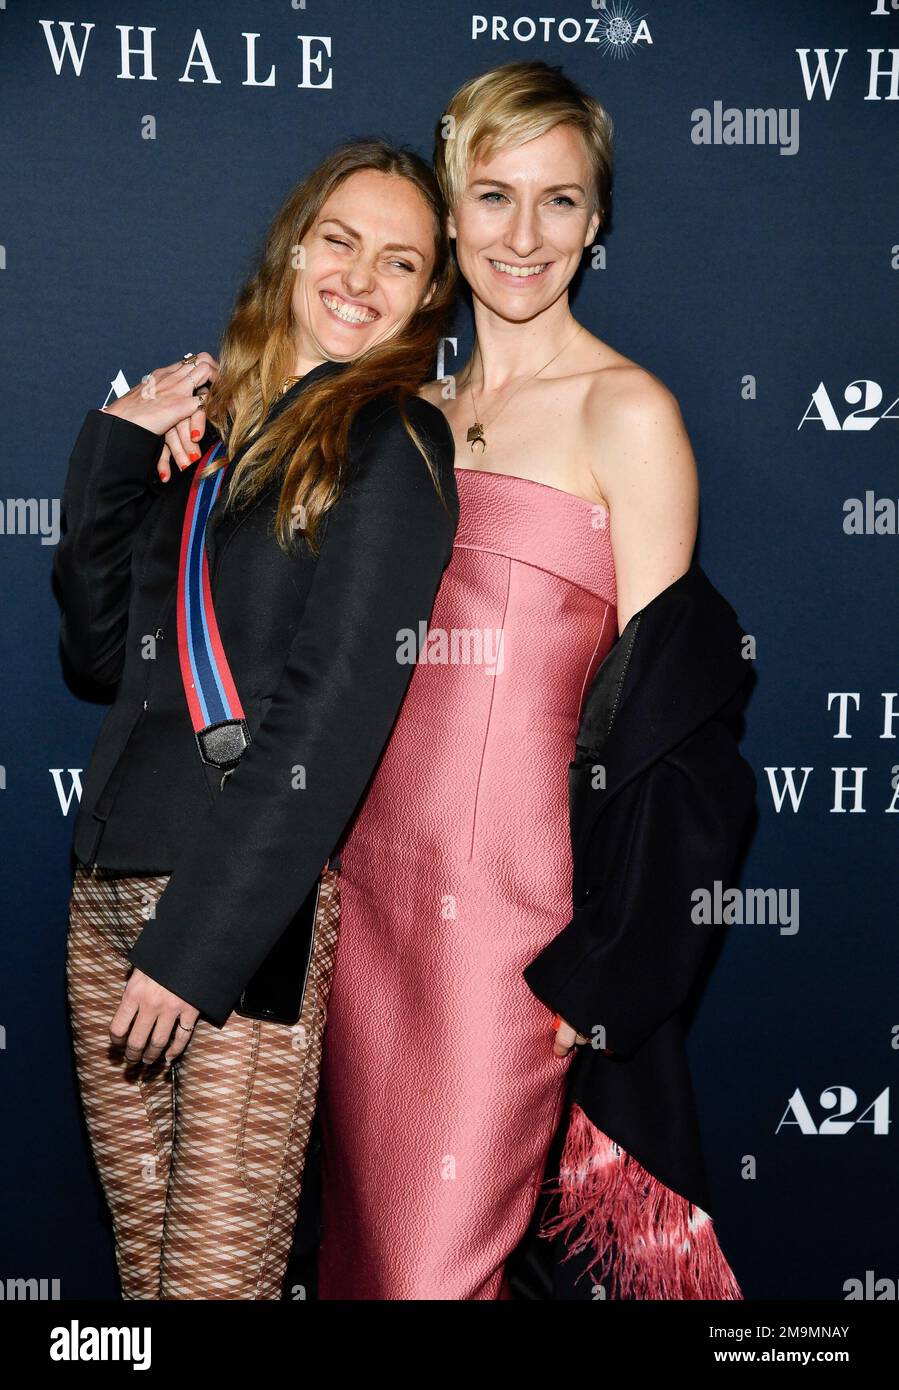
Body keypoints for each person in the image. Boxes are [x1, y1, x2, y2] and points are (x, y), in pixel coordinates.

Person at [317, 64, 745, 1299]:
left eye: (558, 202)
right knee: (360, 1262)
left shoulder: (627, 413)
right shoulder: (404, 413)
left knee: (425, 1274)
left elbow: (677, 721)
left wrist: (615, 960)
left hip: (506, 931)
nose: (521, 235)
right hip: (360, 913)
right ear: (447, 211)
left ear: (596, 221)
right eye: (492, 196)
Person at [53, 139, 458, 1300]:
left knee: (213, 1289)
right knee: (146, 1282)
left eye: (398, 261)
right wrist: (123, 445)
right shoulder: (218, 432)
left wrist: (195, 950)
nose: (358, 278)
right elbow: (92, 654)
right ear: (291, 249)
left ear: (428, 294)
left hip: (242, 918)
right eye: (338, 240)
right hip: (102, 885)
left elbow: (330, 725)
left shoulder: (394, 443)